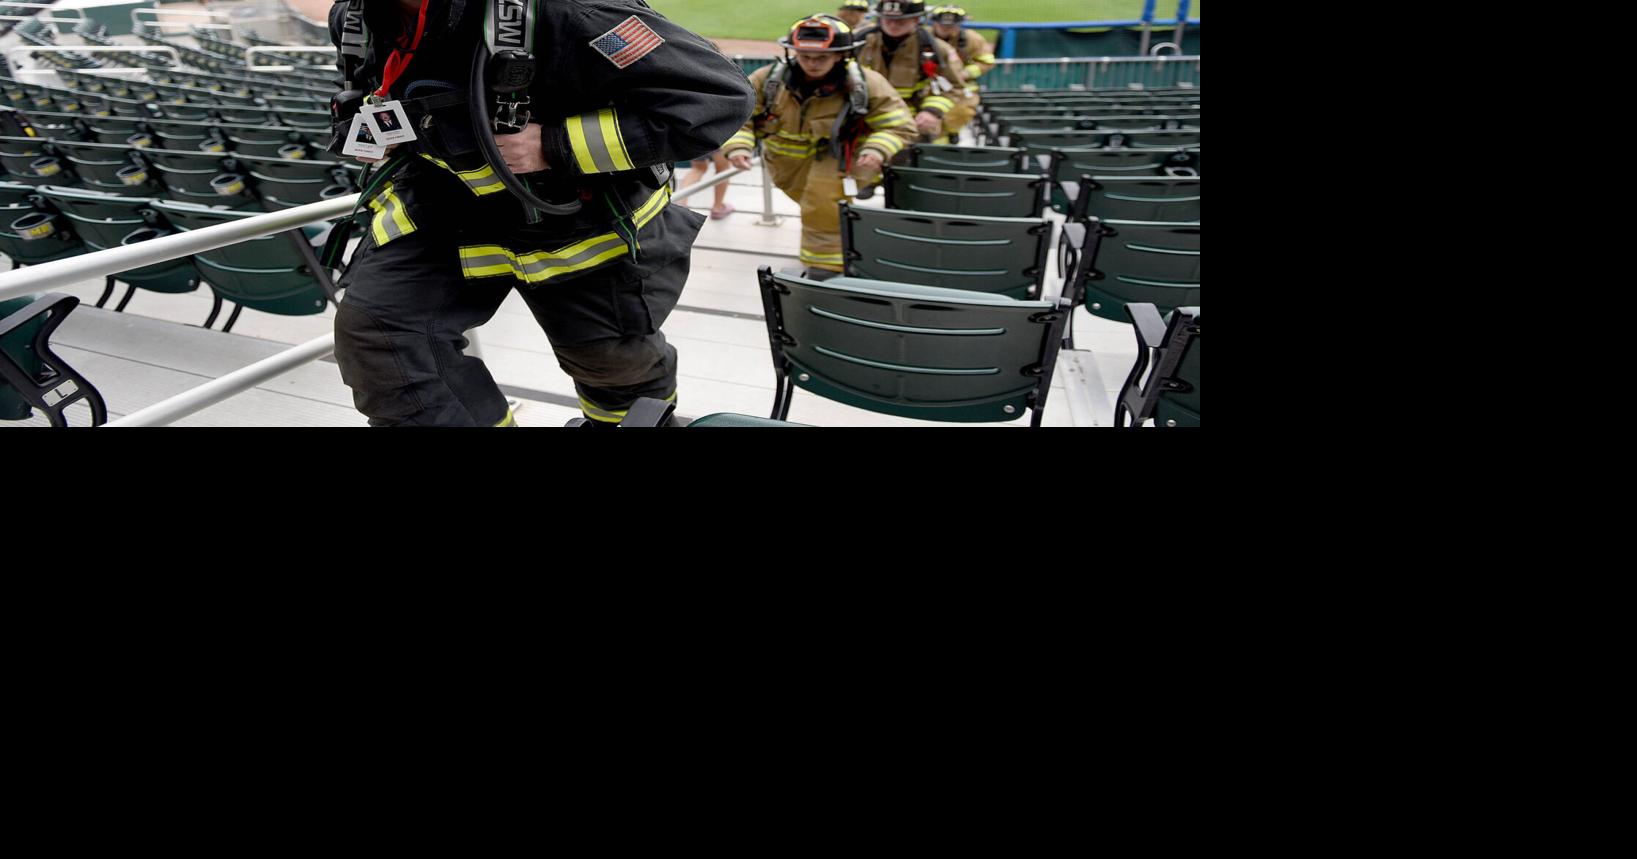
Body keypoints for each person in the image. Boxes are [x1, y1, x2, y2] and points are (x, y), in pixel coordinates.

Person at [325, 0, 754, 426]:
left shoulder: (570, 10)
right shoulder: (353, 19)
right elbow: (380, 95)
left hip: (584, 231)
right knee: (379, 339)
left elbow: (716, 96)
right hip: (445, 214)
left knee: (613, 371)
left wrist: (554, 144)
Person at [722, 14, 915, 278]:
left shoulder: (867, 84)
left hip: (838, 160)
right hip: (784, 167)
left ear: (840, 55)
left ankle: (825, 271)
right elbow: (738, 118)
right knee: (819, 210)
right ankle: (844, 246)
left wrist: (876, 149)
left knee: (821, 211)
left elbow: (899, 125)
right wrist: (739, 147)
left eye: (821, 58)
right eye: (805, 56)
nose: (812, 64)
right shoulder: (767, 80)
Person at [852, 0, 968, 149]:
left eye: (901, 20)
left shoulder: (937, 49)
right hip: (865, 115)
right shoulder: (859, 42)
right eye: (888, 19)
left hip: (914, 118)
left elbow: (954, 86)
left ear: (916, 19)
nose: (893, 25)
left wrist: (932, 111)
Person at [928, 5, 994, 143]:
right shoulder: (923, 37)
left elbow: (987, 61)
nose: (946, 28)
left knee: (960, 113)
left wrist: (965, 73)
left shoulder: (972, 39)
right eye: (942, 25)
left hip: (962, 88)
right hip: (929, 86)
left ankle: (951, 135)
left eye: (951, 25)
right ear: (934, 23)